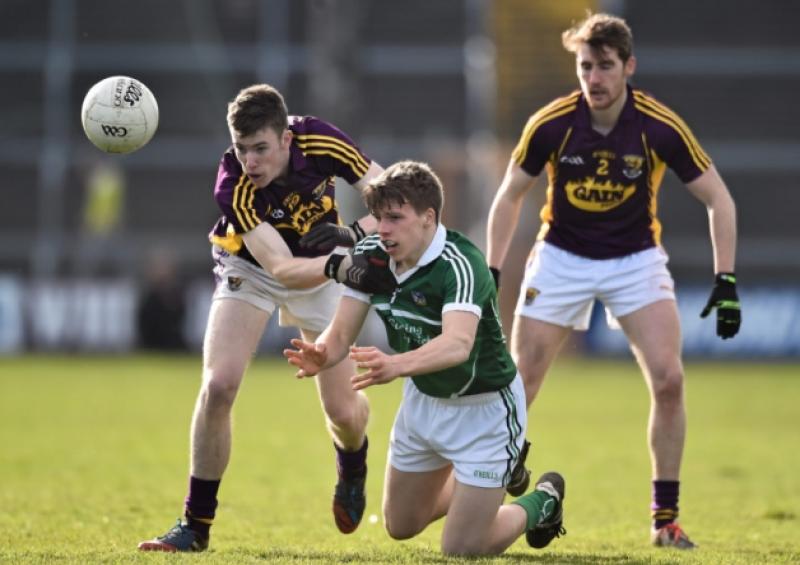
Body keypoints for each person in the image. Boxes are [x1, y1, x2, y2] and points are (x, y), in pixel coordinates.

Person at [486, 13, 741, 550]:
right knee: (517, 383)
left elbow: (719, 198)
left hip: (635, 260)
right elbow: (510, 195)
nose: (594, 78)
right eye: (585, 66)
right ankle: (499, 477)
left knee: (670, 381)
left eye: (605, 66)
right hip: (560, 256)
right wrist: (491, 269)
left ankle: (664, 520)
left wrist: (726, 279)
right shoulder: (552, 123)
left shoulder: (658, 126)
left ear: (629, 66)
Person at [138, 83, 395, 552]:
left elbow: (389, 194)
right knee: (219, 385)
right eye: (242, 149)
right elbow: (280, 269)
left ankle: (353, 461)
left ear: (286, 139)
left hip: (323, 274)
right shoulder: (232, 182)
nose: (250, 161)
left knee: (343, 414)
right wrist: (344, 260)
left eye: (260, 149)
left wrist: (353, 231)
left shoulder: (320, 140)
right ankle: (195, 525)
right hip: (253, 269)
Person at [284, 161, 567, 556]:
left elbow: (457, 345)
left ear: (427, 218)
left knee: (463, 548)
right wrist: (324, 352)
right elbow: (342, 332)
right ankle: (495, 477)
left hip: (485, 412)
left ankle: (542, 501)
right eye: (379, 217)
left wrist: (395, 365)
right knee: (401, 525)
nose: (382, 228)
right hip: (424, 405)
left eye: (395, 218)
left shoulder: (461, 263)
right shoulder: (370, 254)